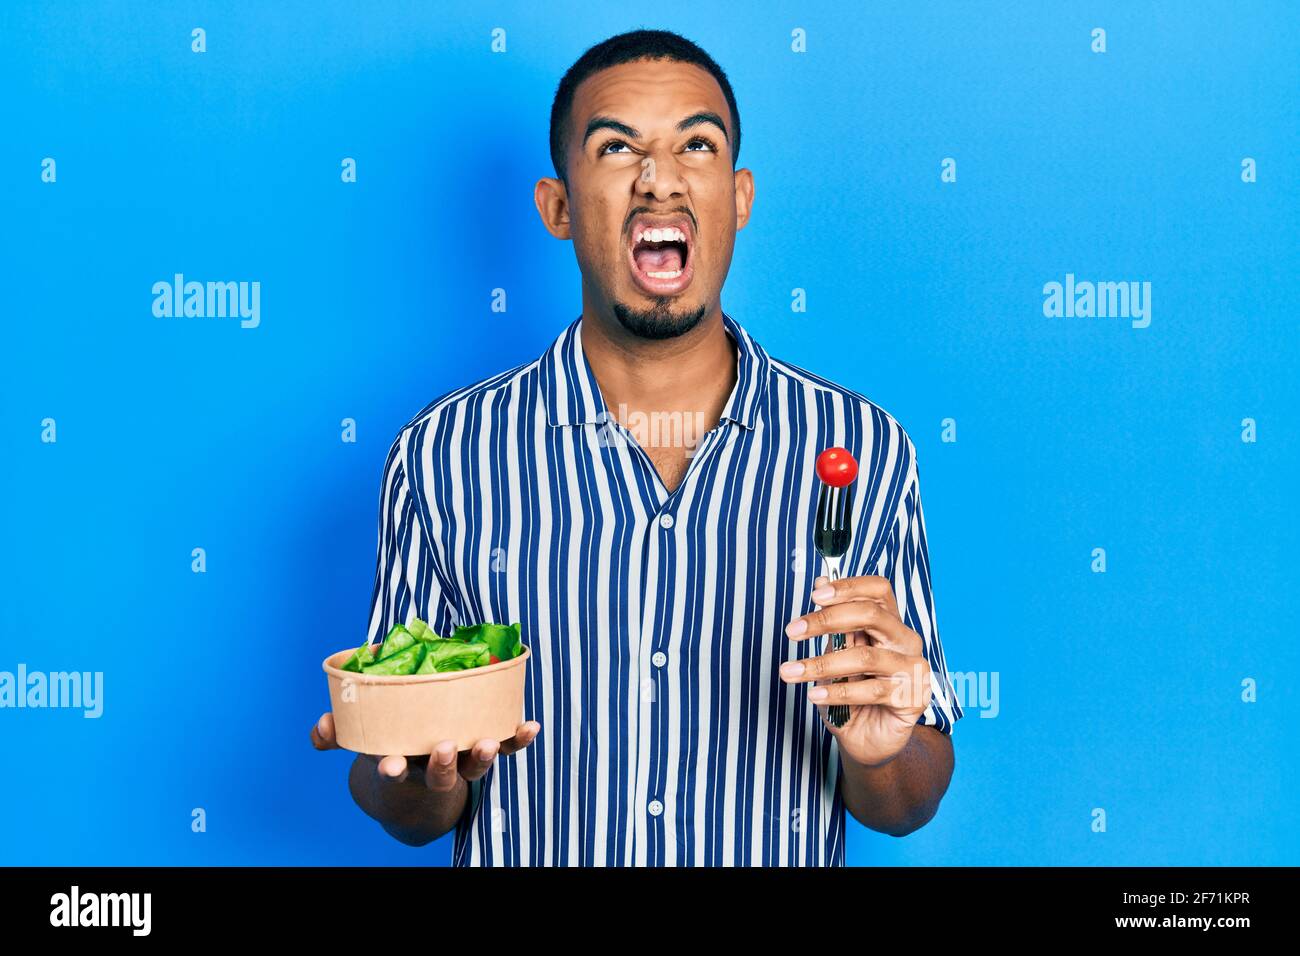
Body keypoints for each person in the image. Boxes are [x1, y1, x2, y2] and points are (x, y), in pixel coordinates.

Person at [312, 28, 963, 866]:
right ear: (558, 207)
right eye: (618, 148)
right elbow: (398, 794)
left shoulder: (861, 449)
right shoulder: (442, 455)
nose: (659, 179)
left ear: (739, 198)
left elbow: (908, 801)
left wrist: (882, 748)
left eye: (696, 144)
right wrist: (422, 778)